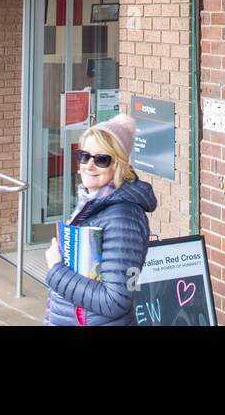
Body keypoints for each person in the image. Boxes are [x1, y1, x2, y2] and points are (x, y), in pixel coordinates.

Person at [43, 115, 156, 326]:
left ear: (119, 164)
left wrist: (56, 270)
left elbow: (116, 301)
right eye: (84, 156)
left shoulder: (123, 218)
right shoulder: (91, 202)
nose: (89, 165)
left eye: (101, 159)